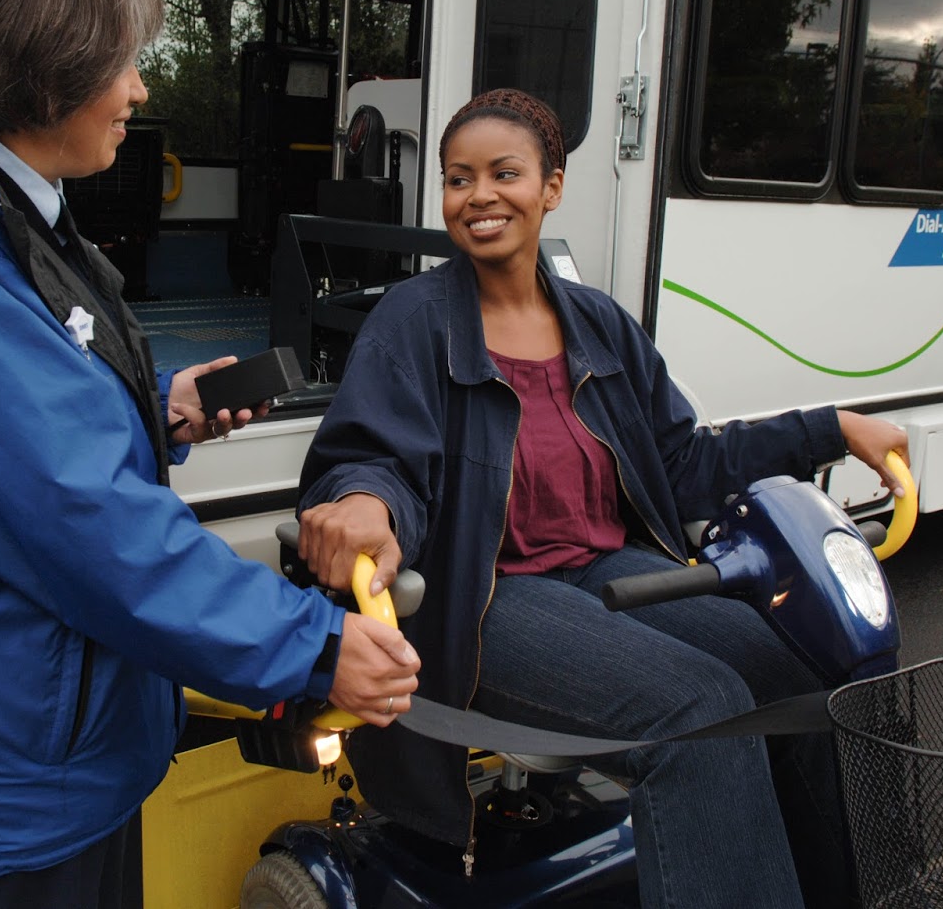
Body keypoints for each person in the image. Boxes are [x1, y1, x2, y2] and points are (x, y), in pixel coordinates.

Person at [0, 0, 419, 908]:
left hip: (29, 737)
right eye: (123, 64)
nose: (139, 90)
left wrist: (161, 408)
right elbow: (78, 515)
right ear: (42, 70)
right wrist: (312, 648)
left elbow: (6, 432)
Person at [297, 88, 909, 909]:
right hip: (489, 599)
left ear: (551, 187)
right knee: (700, 709)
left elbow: (686, 463)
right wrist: (366, 502)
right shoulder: (413, 320)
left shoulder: (600, 324)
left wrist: (829, 426)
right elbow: (373, 460)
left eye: (504, 174)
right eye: (457, 178)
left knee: (797, 671)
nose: (478, 195)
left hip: (610, 577)